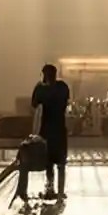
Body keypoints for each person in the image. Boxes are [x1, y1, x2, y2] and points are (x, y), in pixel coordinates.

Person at [31, 63, 71, 199]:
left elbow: (34, 104)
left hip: (46, 129)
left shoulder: (42, 90)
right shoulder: (63, 87)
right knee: (61, 162)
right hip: (59, 128)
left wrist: (40, 86)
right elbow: (66, 102)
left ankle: (50, 188)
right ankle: (60, 191)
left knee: (48, 162)